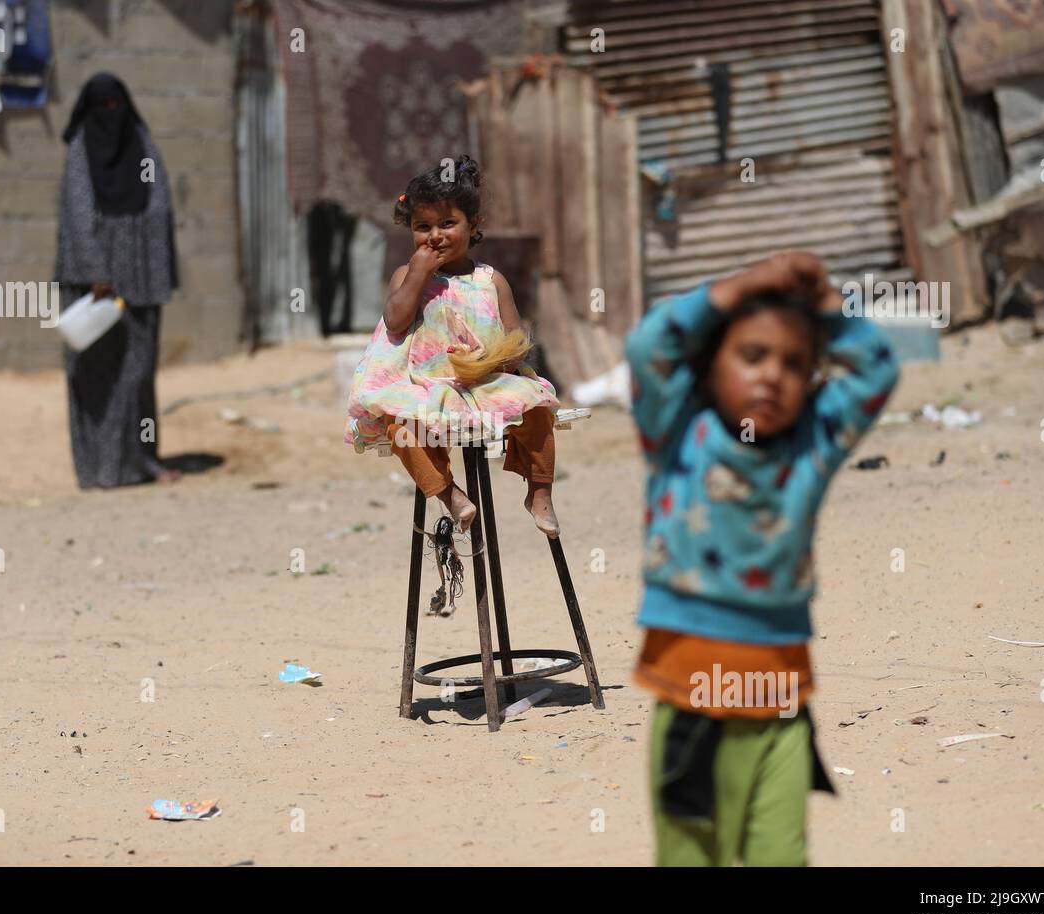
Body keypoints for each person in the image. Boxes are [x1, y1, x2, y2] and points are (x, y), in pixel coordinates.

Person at [625, 251, 901, 865]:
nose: (773, 376)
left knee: (781, 859)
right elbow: (649, 346)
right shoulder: (677, 432)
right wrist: (743, 283)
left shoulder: (812, 447)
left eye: (795, 364)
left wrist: (827, 307)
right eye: (752, 356)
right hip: (691, 700)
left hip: (780, 704)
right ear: (708, 364)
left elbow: (876, 371)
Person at [345, 154, 561, 537]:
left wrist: (492, 360)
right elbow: (395, 321)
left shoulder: (490, 281)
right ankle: (450, 495)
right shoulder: (406, 276)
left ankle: (539, 493)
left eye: (448, 223)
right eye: (422, 226)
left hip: (484, 385)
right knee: (401, 430)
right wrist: (417, 274)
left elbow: (516, 342)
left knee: (538, 407)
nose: (435, 235)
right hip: (425, 388)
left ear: (473, 224)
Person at [55, 72, 179, 489]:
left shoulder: (141, 143)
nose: (112, 115)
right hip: (95, 284)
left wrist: (156, 268)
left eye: (116, 106)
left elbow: (159, 205)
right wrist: (96, 271)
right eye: (103, 107)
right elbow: (77, 212)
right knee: (97, 377)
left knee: (138, 374)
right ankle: (100, 469)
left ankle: (141, 461)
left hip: (141, 280)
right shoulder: (80, 150)